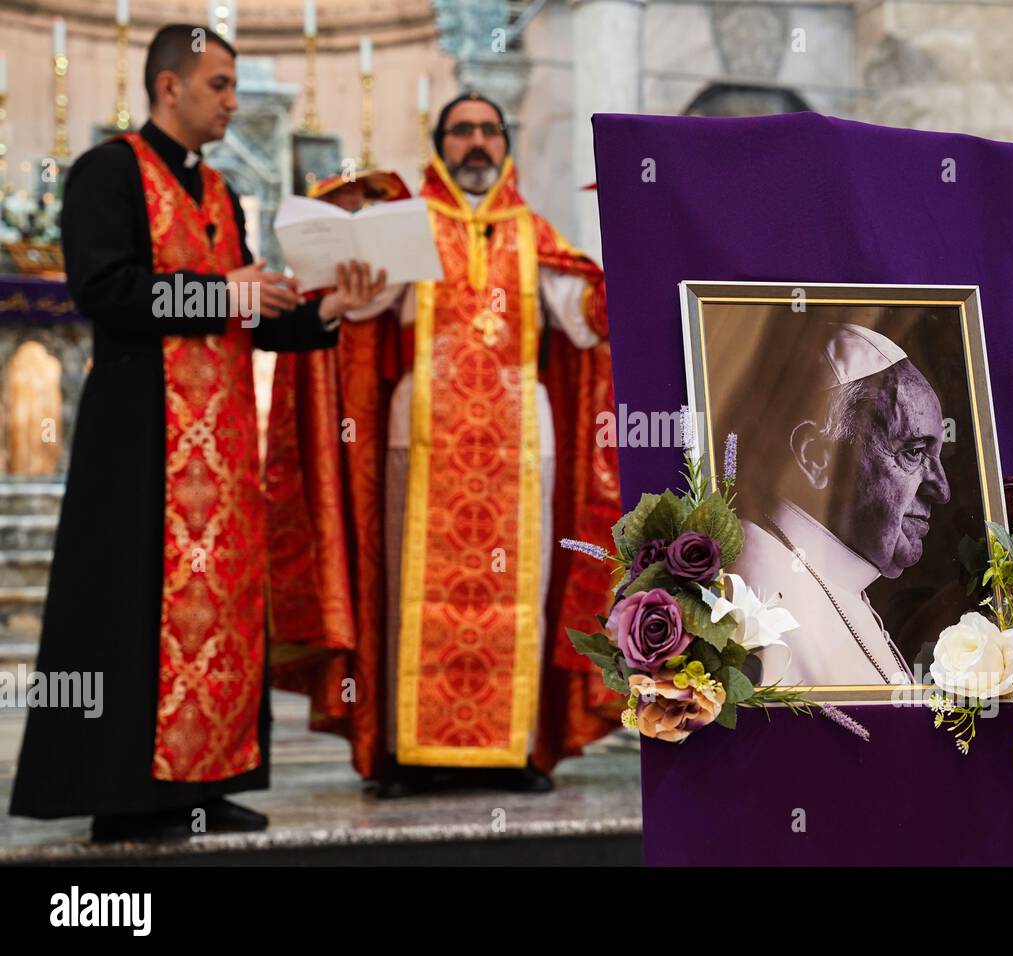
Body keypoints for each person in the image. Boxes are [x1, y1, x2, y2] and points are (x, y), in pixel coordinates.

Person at [9, 24, 385, 841]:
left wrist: (329, 309)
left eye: (233, 85)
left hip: (222, 449)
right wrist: (226, 294)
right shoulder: (108, 172)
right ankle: (126, 796)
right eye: (220, 85)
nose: (232, 103)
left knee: (223, 619)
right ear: (169, 87)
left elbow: (254, 318)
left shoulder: (217, 188)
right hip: (142, 442)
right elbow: (106, 290)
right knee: (131, 612)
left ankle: (208, 784)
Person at [265, 92, 622, 795]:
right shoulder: (409, 224)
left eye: (489, 129)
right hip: (421, 442)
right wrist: (351, 267)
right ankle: (409, 750)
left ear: (506, 143)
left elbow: (585, 319)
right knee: (411, 596)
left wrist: (633, 252)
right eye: (462, 131)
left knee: (524, 594)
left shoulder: (533, 232)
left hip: (523, 448)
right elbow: (363, 305)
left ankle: (515, 751)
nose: (477, 142)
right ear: (440, 144)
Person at [734, 323, 950, 687]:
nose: (942, 490)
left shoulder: (841, 581)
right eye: (913, 452)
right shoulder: (754, 585)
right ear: (817, 457)